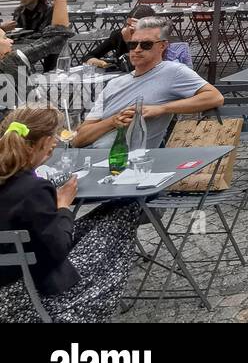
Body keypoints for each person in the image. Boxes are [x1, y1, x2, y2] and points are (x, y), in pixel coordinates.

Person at [0, 106, 142, 323]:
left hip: (13, 271)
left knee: (104, 217)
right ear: (45, 143)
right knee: (122, 211)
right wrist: (63, 205)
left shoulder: (18, 180)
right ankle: (92, 303)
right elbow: (57, 247)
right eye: (54, 137)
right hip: (26, 293)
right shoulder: (34, 189)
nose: (56, 142)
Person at [73, 19, 223, 149]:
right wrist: (113, 121)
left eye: (146, 45)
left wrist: (161, 109)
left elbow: (215, 97)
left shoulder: (172, 71)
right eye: (133, 45)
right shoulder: (114, 84)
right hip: (89, 158)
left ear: (162, 46)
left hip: (127, 165)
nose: (137, 50)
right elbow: (78, 139)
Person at [88, 13, 192, 72]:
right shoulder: (119, 35)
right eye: (128, 25)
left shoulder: (159, 46)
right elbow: (88, 56)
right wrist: (102, 63)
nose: (137, 49)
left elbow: (147, 67)